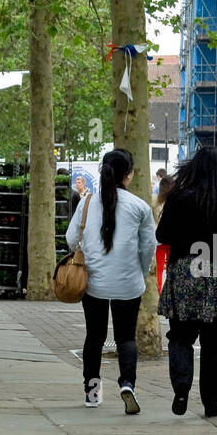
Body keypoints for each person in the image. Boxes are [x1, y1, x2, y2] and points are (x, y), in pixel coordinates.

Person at [155, 147, 217, 417]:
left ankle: (181, 387)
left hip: (185, 273)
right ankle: (211, 403)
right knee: (216, 342)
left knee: (180, 336)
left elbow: (163, 234)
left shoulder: (178, 196)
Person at [65, 148, 156, 414]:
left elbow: (71, 239)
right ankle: (127, 384)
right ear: (129, 175)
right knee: (126, 337)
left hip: (92, 283)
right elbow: (148, 247)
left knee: (94, 336)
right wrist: (138, 271)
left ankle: (92, 392)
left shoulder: (87, 202)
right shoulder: (140, 207)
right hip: (128, 284)